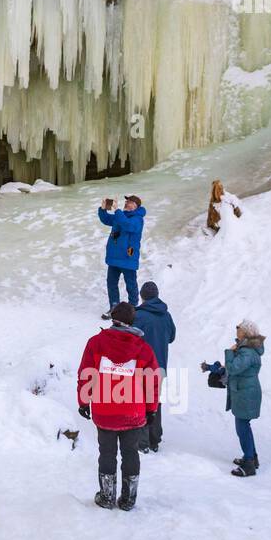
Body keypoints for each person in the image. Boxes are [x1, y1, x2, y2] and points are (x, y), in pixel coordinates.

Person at [76, 302, 161, 512]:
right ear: (133, 321)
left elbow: (86, 374)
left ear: (113, 318)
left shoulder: (96, 343)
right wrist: (151, 409)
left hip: (105, 411)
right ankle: (128, 499)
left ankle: (106, 496)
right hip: (133, 412)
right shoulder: (143, 348)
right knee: (131, 453)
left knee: (107, 453)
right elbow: (152, 382)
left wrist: (83, 401)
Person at [201, 319, 265, 477]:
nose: (236, 328)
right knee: (244, 426)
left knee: (242, 427)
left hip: (246, 393)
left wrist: (229, 352)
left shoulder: (248, 351)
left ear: (245, 332)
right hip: (244, 391)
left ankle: (249, 463)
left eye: (239, 327)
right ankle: (252, 457)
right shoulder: (246, 348)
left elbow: (233, 368)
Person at [133, 281, 176, 453]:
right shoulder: (166, 315)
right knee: (155, 402)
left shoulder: (139, 316)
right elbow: (172, 337)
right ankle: (155, 439)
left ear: (142, 296)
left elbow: (132, 339)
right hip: (161, 367)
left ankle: (142, 442)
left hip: (142, 366)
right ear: (157, 295)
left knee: (142, 402)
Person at [97, 195, 146, 319]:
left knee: (131, 284)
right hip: (114, 257)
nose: (126, 203)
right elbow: (106, 219)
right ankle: (114, 307)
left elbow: (128, 225)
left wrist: (117, 211)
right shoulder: (121, 216)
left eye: (130, 202)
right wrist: (103, 209)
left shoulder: (137, 219)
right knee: (111, 283)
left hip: (127, 257)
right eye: (126, 201)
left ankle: (133, 308)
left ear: (136, 206)